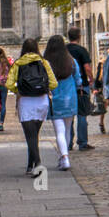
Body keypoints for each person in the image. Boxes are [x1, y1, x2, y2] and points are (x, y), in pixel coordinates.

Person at [6, 37, 58, 175]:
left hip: (25, 102)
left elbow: (9, 84)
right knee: (34, 135)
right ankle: (30, 165)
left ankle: (38, 163)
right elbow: (54, 83)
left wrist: (19, 91)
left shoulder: (17, 64)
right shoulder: (44, 62)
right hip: (42, 101)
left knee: (30, 136)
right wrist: (44, 89)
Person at [43, 35, 82, 170]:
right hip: (70, 99)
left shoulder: (46, 63)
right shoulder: (71, 61)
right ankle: (64, 157)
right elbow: (78, 80)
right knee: (67, 130)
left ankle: (64, 157)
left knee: (59, 131)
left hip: (55, 100)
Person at [65, 25, 94, 152]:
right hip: (81, 86)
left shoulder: (64, 50)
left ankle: (68, 143)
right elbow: (87, 68)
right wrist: (91, 79)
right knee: (82, 114)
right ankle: (82, 142)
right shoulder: (82, 50)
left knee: (69, 116)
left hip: (66, 86)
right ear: (79, 36)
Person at [93, 57, 108, 134]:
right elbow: (96, 81)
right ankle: (101, 123)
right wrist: (95, 89)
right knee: (103, 108)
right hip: (102, 91)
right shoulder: (100, 71)